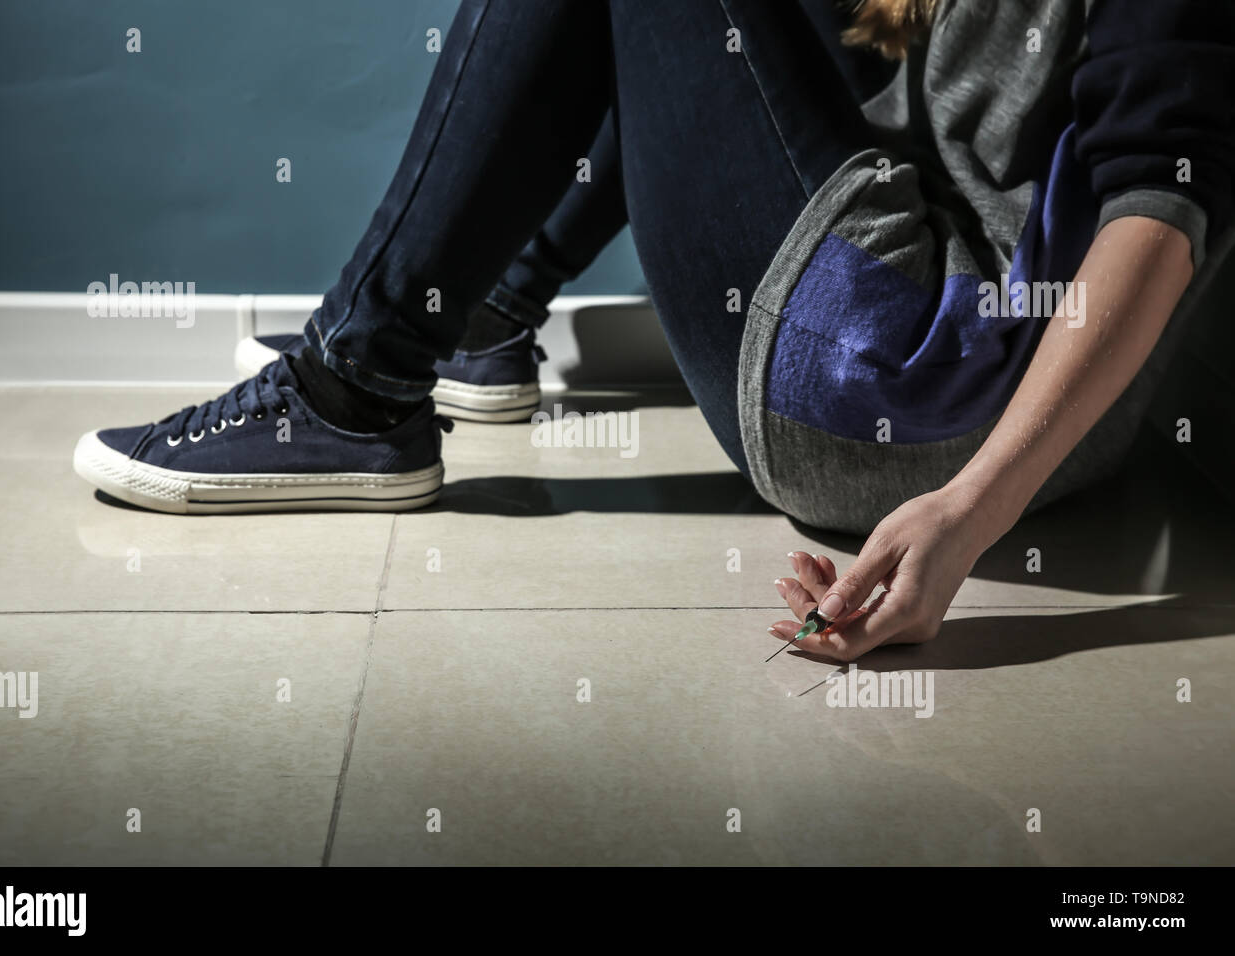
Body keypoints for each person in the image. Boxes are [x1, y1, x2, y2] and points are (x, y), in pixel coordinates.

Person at [73, 0, 1234, 661]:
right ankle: (466, 317)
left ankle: (354, 394)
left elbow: (1159, 205)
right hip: (933, 373)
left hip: (921, 401)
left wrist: (969, 510)